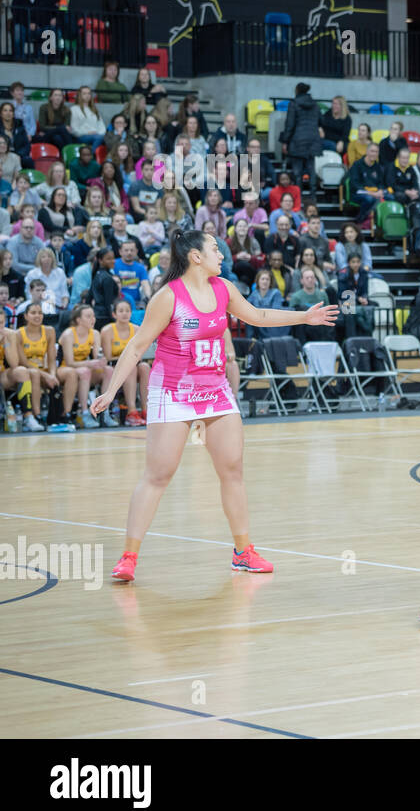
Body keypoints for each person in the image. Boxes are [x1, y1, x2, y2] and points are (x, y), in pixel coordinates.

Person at [92, 229, 338, 583]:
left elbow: (257, 316)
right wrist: (113, 390)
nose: (221, 254)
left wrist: (304, 317)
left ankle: (243, 552)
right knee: (158, 475)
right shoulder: (168, 296)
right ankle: (129, 556)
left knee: (232, 471)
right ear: (195, 256)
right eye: (214, 249)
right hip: (173, 392)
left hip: (214, 390)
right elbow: (136, 346)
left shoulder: (223, 288)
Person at [56, 303, 107, 428]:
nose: (93, 319)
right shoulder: (69, 334)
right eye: (88, 316)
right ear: (78, 320)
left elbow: (97, 356)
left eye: (93, 316)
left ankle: (105, 412)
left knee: (108, 370)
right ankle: (84, 412)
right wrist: (90, 363)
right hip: (64, 368)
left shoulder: (95, 334)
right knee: (85, 371)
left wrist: (101, 360)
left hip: (83, 368)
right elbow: (69, 362)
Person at [101, 296, 149, 426]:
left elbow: (140, 354)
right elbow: (108, 357)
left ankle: (146, 410)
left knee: (144, 367)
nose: (124, 313)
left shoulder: (137, 329)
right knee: (131, 367)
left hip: (134, 364)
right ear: (114, 314)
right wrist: (127, 359)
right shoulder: (107, 331)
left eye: (127, 310)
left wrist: (131, 359)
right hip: (115, 366)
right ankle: (131, 412)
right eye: (121, 311)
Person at [14, 300, 59, 431]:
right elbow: (23, 362)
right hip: (28, 371)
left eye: (40, 313)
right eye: (33, 313)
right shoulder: (18, 334)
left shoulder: (49, 331)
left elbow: (51, 359)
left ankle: (64, 415)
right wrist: (46, 375)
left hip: (44, 369)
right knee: (33, 373)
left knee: (70, 374)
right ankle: (36, 416)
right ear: (26, 316)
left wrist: (52, 375)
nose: (37, 315)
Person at [280, 82, 319, 195]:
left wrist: (285, 141)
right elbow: (320, 121)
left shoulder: (293, 104)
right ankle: (313, 196)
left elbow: (290, 125)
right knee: (311, 170)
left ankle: (298, 196)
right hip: (313, 140)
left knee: (297, 172)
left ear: (297, 90)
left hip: (297, 141)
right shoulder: (315, 104)